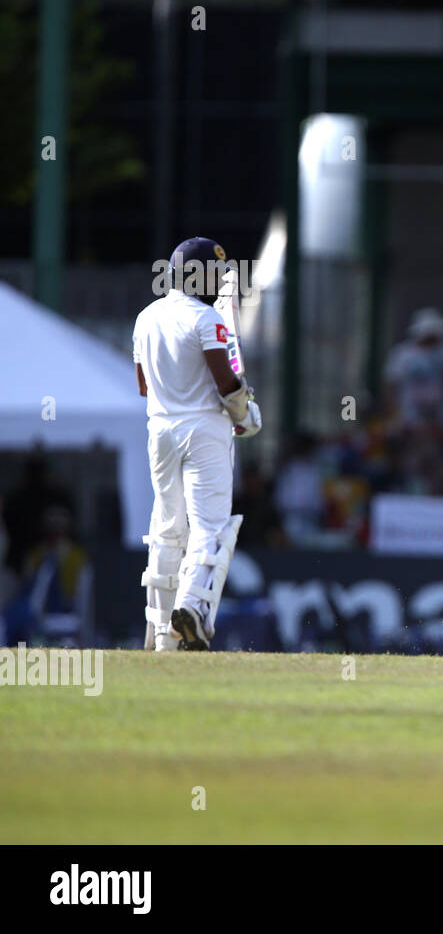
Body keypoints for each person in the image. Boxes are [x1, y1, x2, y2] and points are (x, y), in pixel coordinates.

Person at [134, 237, 261, 651]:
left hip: (159, 431)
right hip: (204, 429)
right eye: (211, 274)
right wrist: (245, 413)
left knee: (168, 530)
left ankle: (159, 637)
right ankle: (190, 609)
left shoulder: (146, 317)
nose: (215, 282)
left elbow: (142, 386)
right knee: (211, 527)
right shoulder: (207, 319)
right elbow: (226, 382)